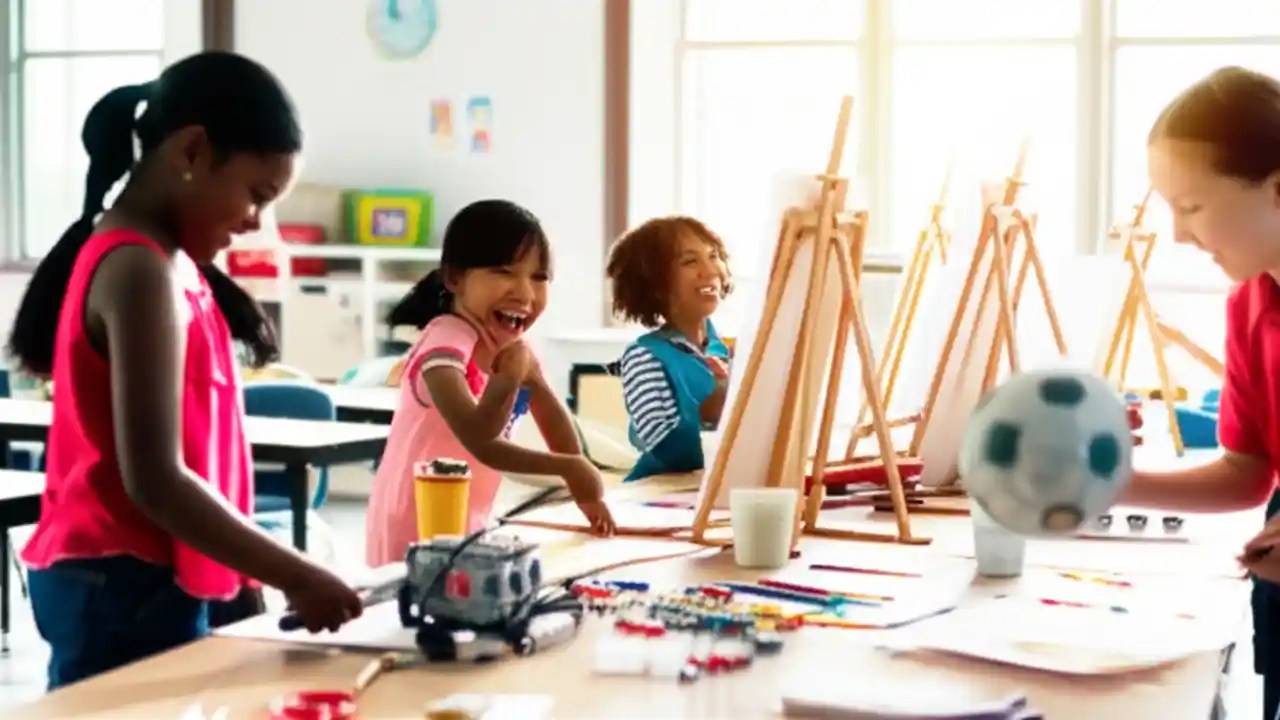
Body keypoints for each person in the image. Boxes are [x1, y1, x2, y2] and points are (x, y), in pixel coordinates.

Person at [6, 51, 363, 690]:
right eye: (256, 196)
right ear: (193, 151)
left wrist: (242, 582)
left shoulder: (172, 267)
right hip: (119, 583)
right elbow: (157, 479)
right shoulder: (138, 269)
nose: (256, 223)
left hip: (153, 574)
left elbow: (201, 460)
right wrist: (297, 573)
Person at [1123, 65, 1280, 720]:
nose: (1180, 235)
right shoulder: (1250, 301)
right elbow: (1249, 473)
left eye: (1191, 207)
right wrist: (1110, 484)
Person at [365, 199, 616, 568]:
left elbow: (558, 430)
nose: (525, 293)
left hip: (469, 525)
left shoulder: (510, 350)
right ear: (455, 278)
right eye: (503, 272)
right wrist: (510, 378)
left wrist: (583, 488)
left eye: (539, 277)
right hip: (415, 529)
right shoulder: (444, 343)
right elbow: (480, 438)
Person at [604, 216, 733, 482]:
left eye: (713, 255)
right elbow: (661, 445)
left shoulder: (729, 351)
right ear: (655, 284)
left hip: (713, 487)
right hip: (658, 493)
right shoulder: (645, 357)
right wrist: (709, 410)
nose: (709, 270)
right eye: (689, 261)